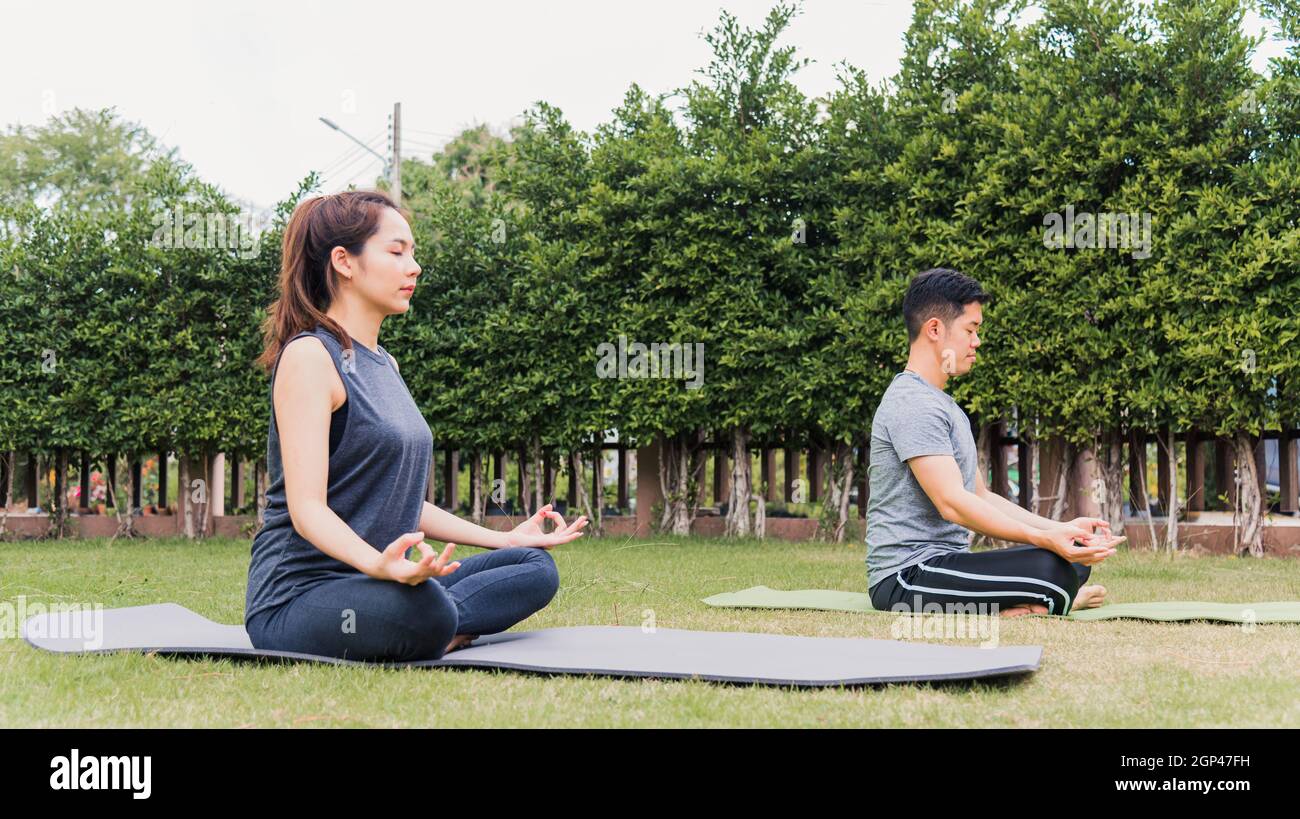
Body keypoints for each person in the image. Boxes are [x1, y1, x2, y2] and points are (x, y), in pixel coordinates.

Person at [244, 190, 586, 662]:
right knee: (425, 609)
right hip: (300, 597)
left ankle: (430, 623)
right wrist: (378, 566)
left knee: (532, 566)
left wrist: (505, 537)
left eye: (413, 252)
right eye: (396, 251)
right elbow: (307, 510)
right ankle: (434, 625)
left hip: (384, 581)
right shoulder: (310, 356)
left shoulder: (386, 364)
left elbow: (401, 499)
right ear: (344, 261)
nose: (414, 266)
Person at [866, 267, 1122, 618]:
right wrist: (1041, 539)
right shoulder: (912, 404)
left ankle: (1037, 602)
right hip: (906, 577)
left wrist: (1060, 529)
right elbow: (952, 504)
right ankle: (1046, 600)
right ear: (935, 330)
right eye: (970, 330)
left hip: (946, 563)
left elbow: (980, 495)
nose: (977, 341)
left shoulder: (946, 406)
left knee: (1072, 559)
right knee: (1054, 572)